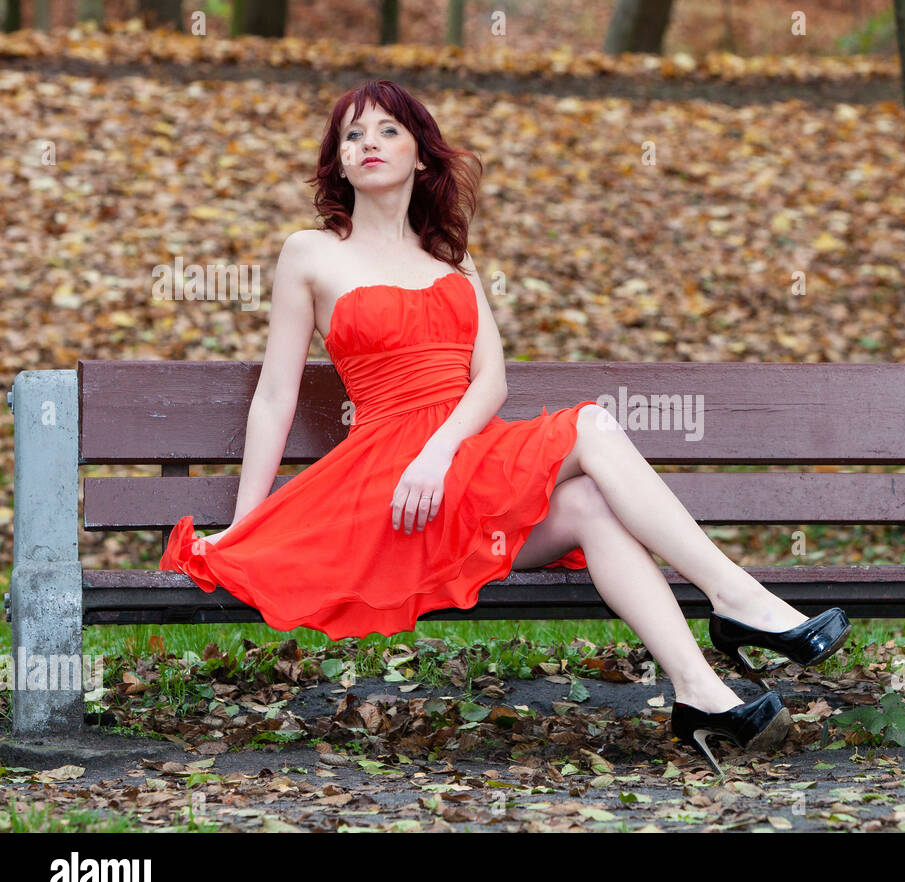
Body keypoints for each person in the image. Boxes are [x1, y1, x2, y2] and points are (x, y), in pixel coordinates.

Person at [160, 79, 850, 775]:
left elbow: (491, 381)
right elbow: (275, 396)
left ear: (421, 156)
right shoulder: (311, 253)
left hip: (457, 461)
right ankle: (736, 600)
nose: (369, 143)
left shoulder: (452, 259)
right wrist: (245, 524)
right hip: (394, 481)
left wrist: (439, 451)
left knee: (590, 504)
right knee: (592, 424)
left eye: (388, 130)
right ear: (338, 162)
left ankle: (699, 692)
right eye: (352, 134)